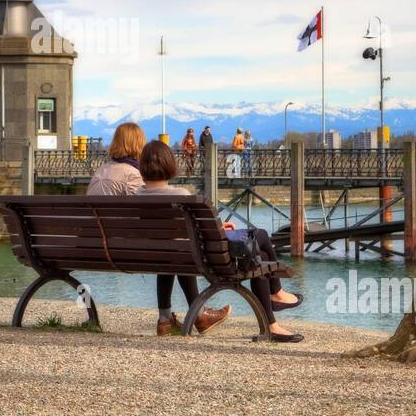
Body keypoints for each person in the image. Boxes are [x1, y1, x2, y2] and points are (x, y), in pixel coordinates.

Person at [135, 141, 302, 343]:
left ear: (142, 167)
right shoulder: (181, 196)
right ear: (169, 164)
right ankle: (276, 295)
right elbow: (200, 234)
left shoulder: (136, 197)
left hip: (168, 257)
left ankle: (274, 313)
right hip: (204, 258)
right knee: (262, 238)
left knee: (261, 254)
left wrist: (219, 228)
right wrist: (220, 229)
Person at [88, 124, 228, 335]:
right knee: (172, 245)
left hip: (94, 247)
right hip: (124, 249)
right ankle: (196, 315)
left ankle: (167, 319)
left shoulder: (101, 170)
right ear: (137, 143)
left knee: (169, 245)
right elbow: (152, 213)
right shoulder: (132, 174)